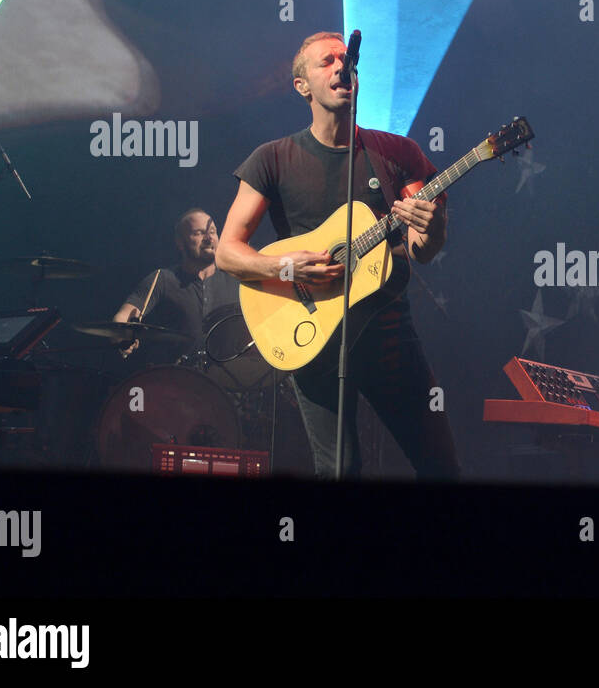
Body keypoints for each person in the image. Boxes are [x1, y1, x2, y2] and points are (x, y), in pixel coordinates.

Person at [216, 30, 460, 481]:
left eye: (346, 60)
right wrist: (287, 266)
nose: (341, 67)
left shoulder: (396, 152)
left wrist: (435, 226)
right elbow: (227, 253)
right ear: (301, 85)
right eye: (327, 61)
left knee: (441, 466)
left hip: (390, 335)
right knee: (339, 470)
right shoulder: (271, 159)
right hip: (314, 337)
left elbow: (422, 252)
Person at [113, 208, 238, 363]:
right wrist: (122, 335)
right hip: (174, 378)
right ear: (180, 243)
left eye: (212, 231)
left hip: (228, 378)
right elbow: (123, 317)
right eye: (198, 233)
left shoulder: (237, 279)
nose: (209, 238)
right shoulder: (163, 279)